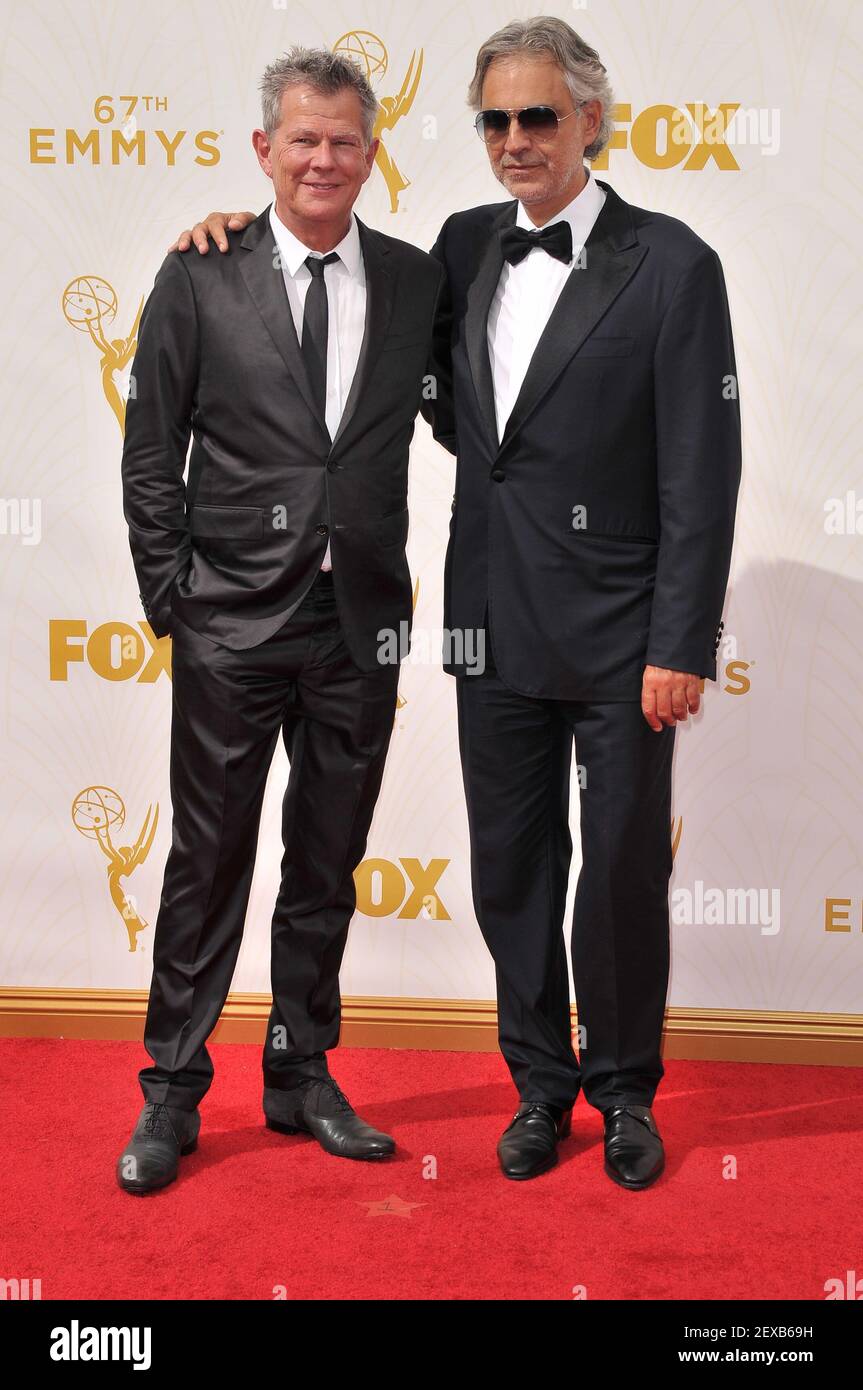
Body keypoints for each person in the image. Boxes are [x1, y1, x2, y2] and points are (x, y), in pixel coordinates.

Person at [172, 16, 741, 1190]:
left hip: (627, 630)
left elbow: (701, 467)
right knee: (510, 866)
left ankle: (625, 1090)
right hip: (487, 616)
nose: (515, 140)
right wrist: (226, 234)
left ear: (591, 118)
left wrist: (680, 636)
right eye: (494, 119)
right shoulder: (458, 248)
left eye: (538, 116)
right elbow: (394, 373)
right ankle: (539, 1085)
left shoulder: (674, 263)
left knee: (623, 863)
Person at [117, 46, 452, 1195]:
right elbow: (151, 448)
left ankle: (300, 1068)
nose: (323, 157)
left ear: (372, 152)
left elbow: (481, 409)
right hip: (230, 622)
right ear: (263, 149)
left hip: (355, 622)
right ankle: (170, 1087)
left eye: (344, 140)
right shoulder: (200, 275)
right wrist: (175, 596)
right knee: (206, 857)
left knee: (326, 858)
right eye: (302, 138)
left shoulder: (415, 285)